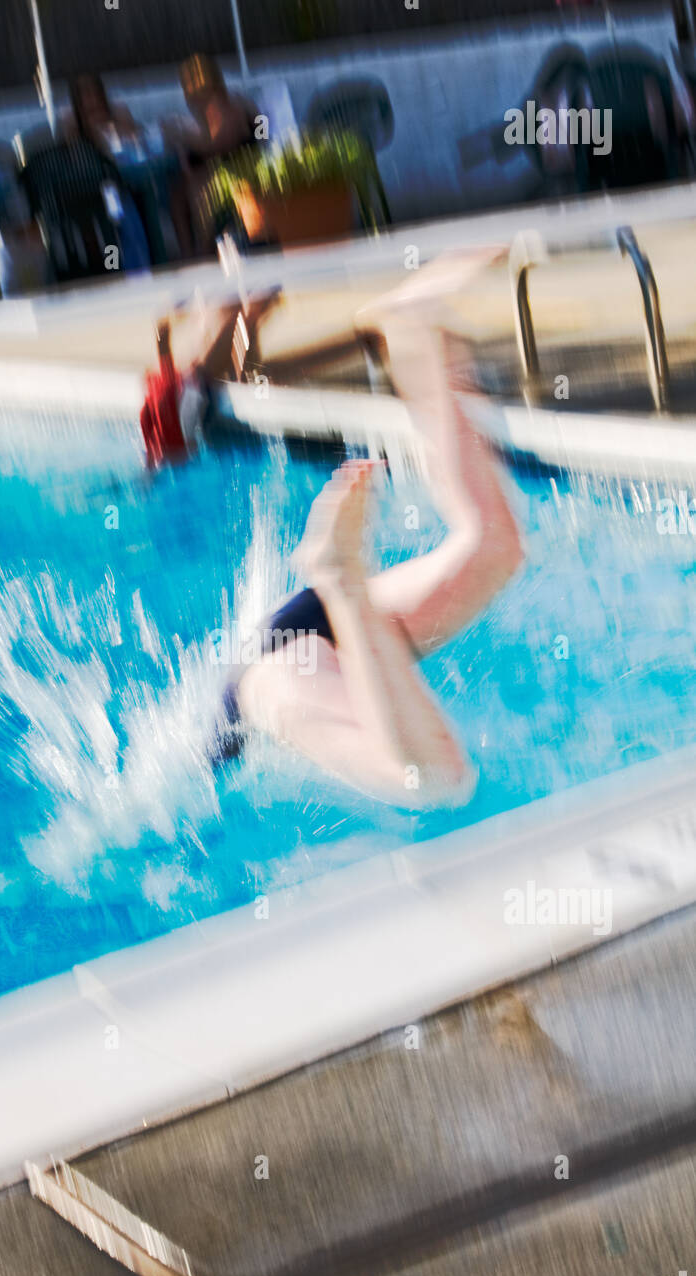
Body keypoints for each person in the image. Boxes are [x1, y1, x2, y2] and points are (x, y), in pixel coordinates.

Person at [209, 246, 525, 809]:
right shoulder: (269, 698)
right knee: (433, 778)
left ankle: (416, 328)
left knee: (438, 780)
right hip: (277, 671)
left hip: (290, 656)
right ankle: (341, 578)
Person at [140, 288, 280, 469]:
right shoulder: (164, 436)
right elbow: (162, 338)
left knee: (242, 319)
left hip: (186, 387)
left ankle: (259, 295)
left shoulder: (167, 444)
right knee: (243, 319)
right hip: (185, 385)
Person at [161, 54, 258, 257]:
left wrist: (181, 135)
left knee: (197, 187)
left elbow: (218, 143)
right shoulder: (205, 109)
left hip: (240, 170)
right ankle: (189, 254)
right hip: (219, 169)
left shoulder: (230, 105)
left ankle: (203, 251)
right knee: (177, 192)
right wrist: (182, 146)